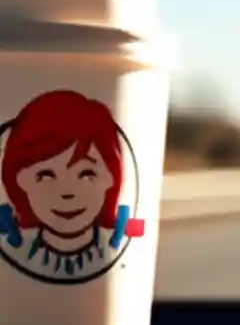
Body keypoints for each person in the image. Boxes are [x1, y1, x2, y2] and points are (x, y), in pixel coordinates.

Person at [0, 90, 143, 281]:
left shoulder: (111, 245)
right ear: (20, 182)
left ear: (111, 176)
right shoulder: (18, 250)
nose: (66, 192)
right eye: (45, 175)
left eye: (86, 174)